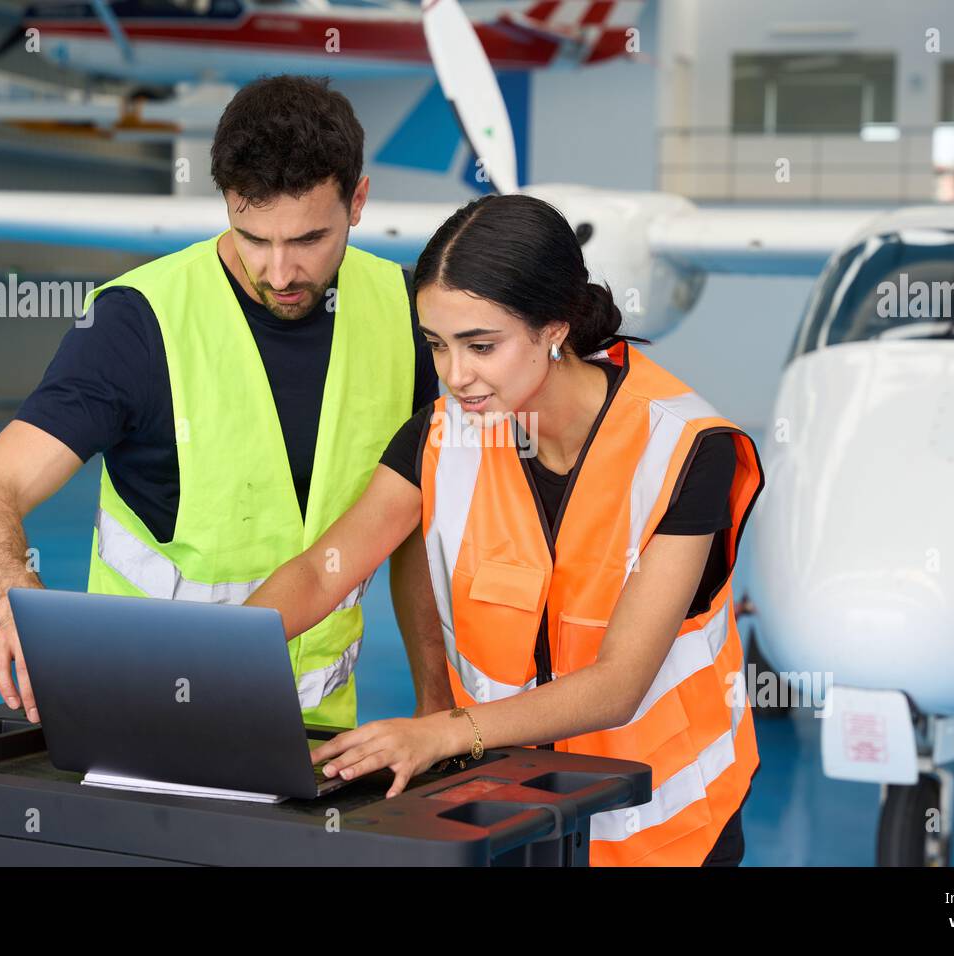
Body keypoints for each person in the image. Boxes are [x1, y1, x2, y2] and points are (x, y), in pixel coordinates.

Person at [245, 193, 765, 866]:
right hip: (508, 819)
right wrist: (203, 662)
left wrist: (440, 734)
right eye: (437, 345)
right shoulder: (440, 437)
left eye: (480, 346)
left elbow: (618, 685)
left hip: (668, 825)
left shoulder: (687, 449)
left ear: (553, 328)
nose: (456, 376)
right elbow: (324, 570)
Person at [0, 75, 449, 731]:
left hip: (322, 736)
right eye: (254, 238)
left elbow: (410, 526)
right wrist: (18, 606)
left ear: (359, 201)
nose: (280, 272)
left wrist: (436, 701)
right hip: (142, 720)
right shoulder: (137, 324)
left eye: (309, 240)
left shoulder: (405, 315)